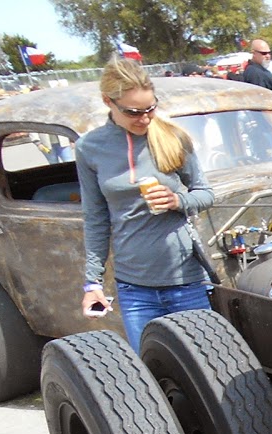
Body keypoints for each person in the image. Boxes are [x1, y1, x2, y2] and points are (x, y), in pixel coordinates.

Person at [77, 56, 215, 348]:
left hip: (185, 281)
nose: (144, 118)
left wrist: (176, 200)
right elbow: (96, 219)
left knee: (207, 366)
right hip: (134, 288)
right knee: (154, 373)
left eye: (150, 108)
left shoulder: (172, 137)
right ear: (108, 102)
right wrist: (92, 284)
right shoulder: (89, 148)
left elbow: (205, 194)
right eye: (133, 112)